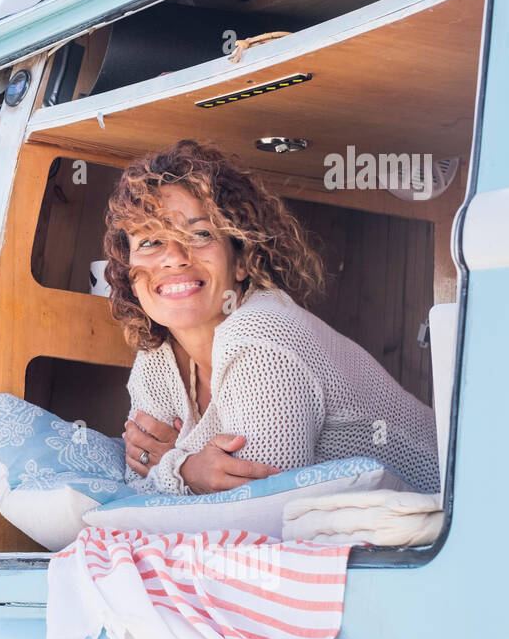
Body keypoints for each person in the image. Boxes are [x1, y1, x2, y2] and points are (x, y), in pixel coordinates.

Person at [103, 140, 440, 496]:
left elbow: (263, 506)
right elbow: (135, 483)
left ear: (244, 258)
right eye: (150, 243)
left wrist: (179, 468)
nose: (174, 257)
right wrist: (186, 469)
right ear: (129, 272)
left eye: (200, 234)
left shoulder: (263, 335)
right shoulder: (156, 360)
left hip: (459, 518)